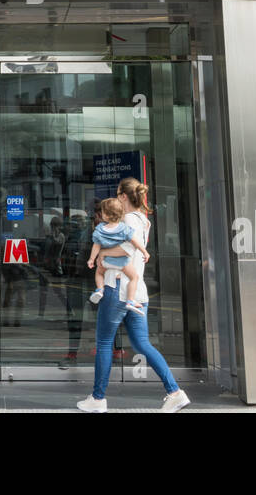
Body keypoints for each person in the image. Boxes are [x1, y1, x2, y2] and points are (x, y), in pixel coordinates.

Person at [77, 177, 190, 413]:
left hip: (117, 287)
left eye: (118, 194)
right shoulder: (143, 220)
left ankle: (97, 399)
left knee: (104, 342)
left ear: (123, 196)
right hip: (136, 291)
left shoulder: (128, 220)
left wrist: (101, 254)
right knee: (142, 343)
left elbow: (126, 250)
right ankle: (175, 392)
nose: (116, 198)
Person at [87, 197, 149, 312]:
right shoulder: (124, 228)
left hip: (105, 261)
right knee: (134, 277)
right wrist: (144, 252)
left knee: (99, 274)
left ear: (105, 215)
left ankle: (100, 290)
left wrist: (91, 259)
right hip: (122, 262)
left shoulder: (99, 229)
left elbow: (96, 246)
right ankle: (130, 300)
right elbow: (135, 242)